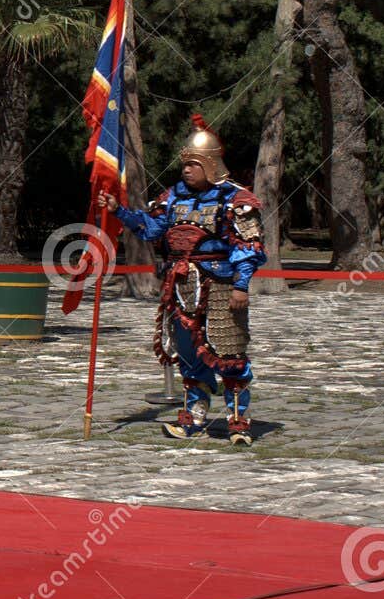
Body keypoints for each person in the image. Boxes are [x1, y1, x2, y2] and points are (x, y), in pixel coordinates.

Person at [99, 115, 266, 445]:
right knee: (189, 353)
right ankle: (195, 414)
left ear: (211, 164)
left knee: (229, 350)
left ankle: (237, 419)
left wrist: (241, 284)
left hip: (220, 284)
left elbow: (248, 245)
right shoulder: (172, 197)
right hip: (181, 284)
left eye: (193, 164)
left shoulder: (235, 199)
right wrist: (120, 211)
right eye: (185, 164)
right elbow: (152, 228)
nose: (186, 170)